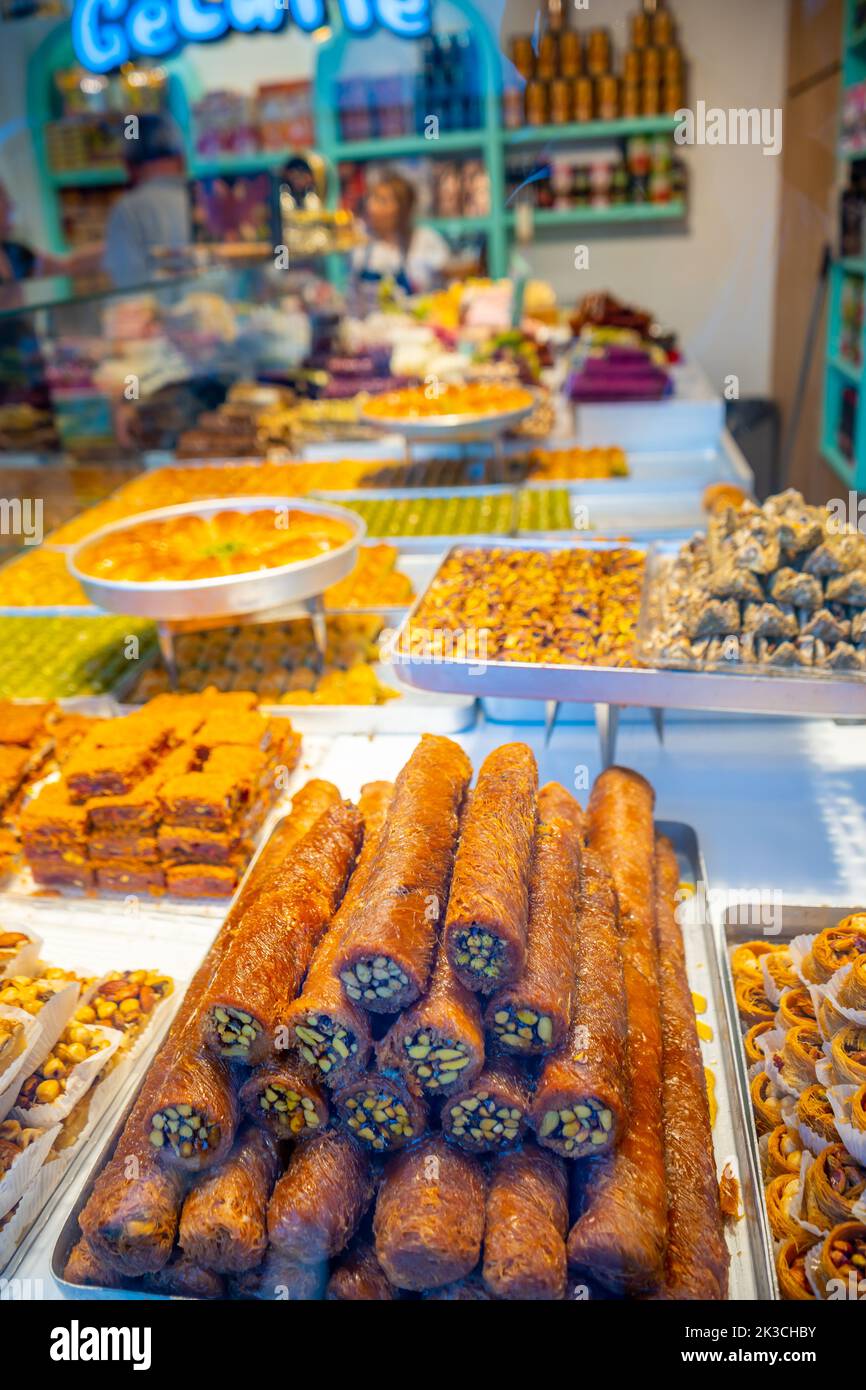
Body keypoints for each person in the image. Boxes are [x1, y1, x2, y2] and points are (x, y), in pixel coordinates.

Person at [103, 113, 192, 289]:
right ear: (181, 159)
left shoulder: (128, 210)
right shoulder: (207, 196)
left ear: (128, 165)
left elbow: (128, 288)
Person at [351, 172, 450, 295]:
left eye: (381, 201)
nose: (371, 207)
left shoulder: (424, 239)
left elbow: (447, 276)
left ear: (403, 208)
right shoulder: (358, 238)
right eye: (371, 198)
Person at [0, 181, 100, 283]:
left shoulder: (16, 253)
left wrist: (115, 246)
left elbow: (66, 266)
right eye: (3, 197)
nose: (11, 205)